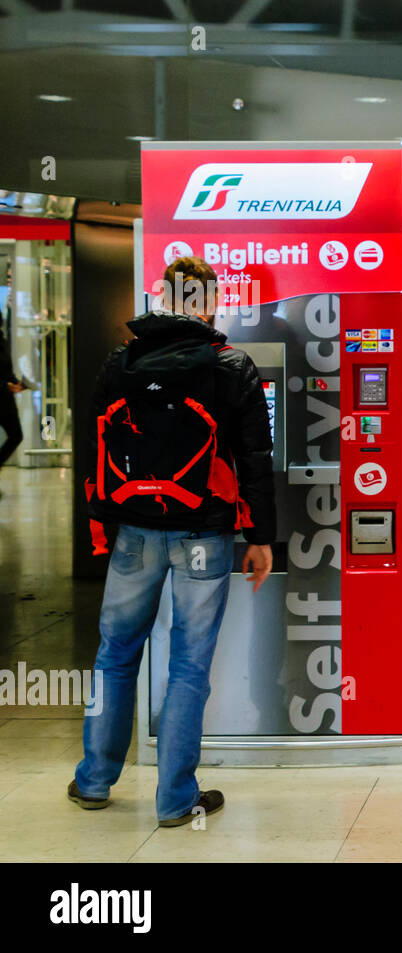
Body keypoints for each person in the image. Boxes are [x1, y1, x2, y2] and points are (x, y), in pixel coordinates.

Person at [68, 256, 275, 827]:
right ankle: (175, 799)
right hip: (204, 531)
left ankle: (93, 781)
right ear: (208, 303)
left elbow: (93, 446)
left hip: (134, 530)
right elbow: (257, 460)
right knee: (188, 665)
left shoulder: (121, 361)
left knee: (114, 656)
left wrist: (98, 522)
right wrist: (260, 537)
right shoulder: (232, 365)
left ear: (162, 297)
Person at [0, 323, 26, 492]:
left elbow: (6, 369)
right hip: (3, 394)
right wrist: (5, 385)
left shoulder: (2, 341)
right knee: (15, 435)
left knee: (16, 435)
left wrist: (16, 382)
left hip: (5, 399)